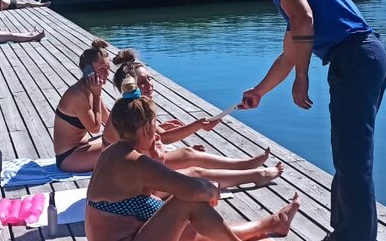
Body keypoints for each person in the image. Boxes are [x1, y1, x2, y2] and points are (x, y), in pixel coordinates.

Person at [239, 0, 386, 241]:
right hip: (361, 58)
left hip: (356, 59)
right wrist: (259, 92)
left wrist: (302, 78)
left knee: (354, 165)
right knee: (346, 160)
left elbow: (304, 20)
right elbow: (292, 48)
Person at [86, 75, 299, 241]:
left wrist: (158, 160)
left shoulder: (114, 153)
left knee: (204, 234)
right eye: (155, 125)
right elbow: (196, 191)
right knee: (190, 202)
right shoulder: (135, 162)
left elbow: (142, 196)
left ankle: (271, 224)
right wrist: (212, 190)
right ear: (146, 130)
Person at [107, 49, 281, 187]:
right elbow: (165, 139)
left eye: (149, 79)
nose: (149, 85)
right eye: (142, 83)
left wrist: (196, 125)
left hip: (136, 167)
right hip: (127, 179)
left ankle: (243, 165)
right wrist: (198, 125)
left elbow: (158, 134)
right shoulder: (130, 111)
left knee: (188, 153)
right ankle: (256, 175)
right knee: (194, 173)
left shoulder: (132, 106)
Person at [52, 39, 112, 172]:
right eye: (102, 69)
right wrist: (97, 96)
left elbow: (108, 120)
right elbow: (95, 128)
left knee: (127, 140)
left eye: (108, 68)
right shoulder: (78, 94)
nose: (107, 74)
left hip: (83, 148)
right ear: (87, 70)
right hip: (69, 158)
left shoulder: (91, 89)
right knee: (121, 148)